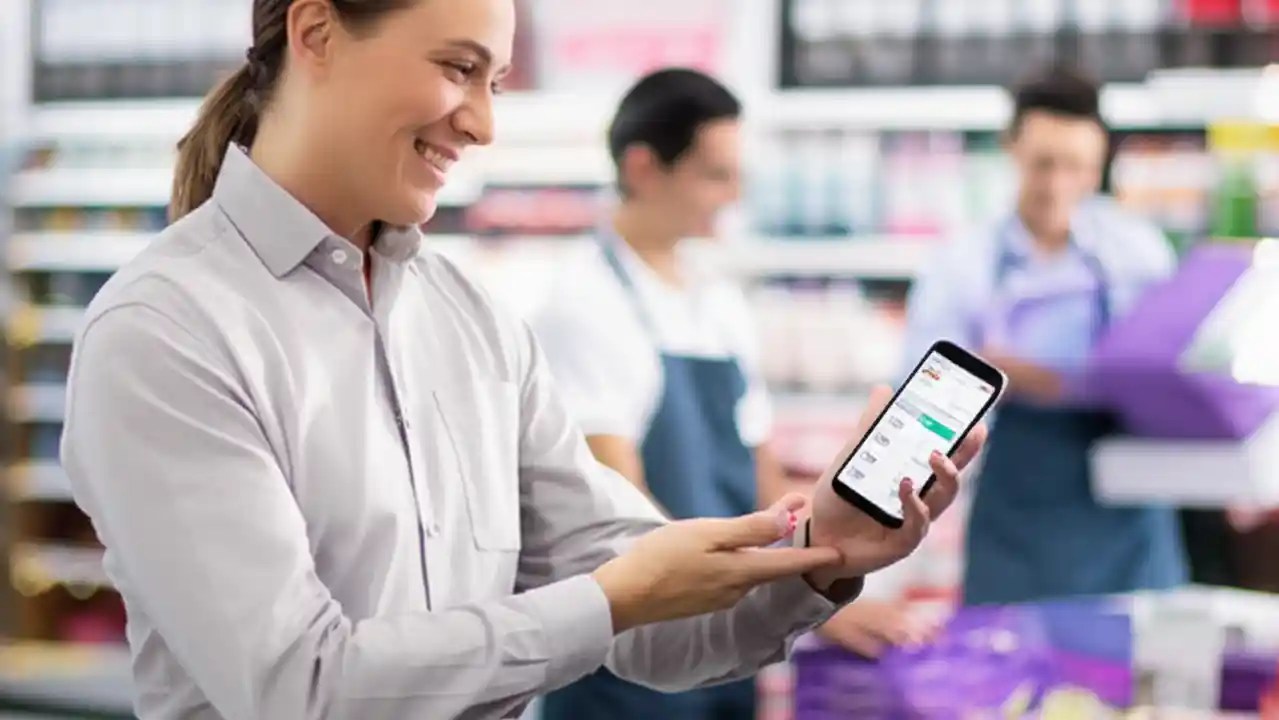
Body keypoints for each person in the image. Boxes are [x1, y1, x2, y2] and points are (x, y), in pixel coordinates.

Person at [59, 2, 984, 718]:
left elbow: (657, 624)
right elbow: (298, 688)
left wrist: (822, 549)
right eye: (458, 68)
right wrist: (604, 604)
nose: (483, 124)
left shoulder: (473, 324)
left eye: (496, 80)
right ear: (316, 33)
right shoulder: (166, 331)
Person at [533, 69, 937, 720]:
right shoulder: (584, 304)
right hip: (635, 656)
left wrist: (813, 583)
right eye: (715, 175)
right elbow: (618, 509)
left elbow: (758, 473)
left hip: (724, 642)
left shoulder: (716, 300)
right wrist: (785, 598)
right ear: (643, 168)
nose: (734, 195)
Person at [902, 65, 1187, 606]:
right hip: (1019, 514)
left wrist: (1024, 374)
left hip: (1128, 519)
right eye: (1043, 164)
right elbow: (923, 392)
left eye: (1076, 167)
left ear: (1099, 164)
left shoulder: (1138, 253)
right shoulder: (963, 265)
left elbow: (1168, 370)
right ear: (1011, 149)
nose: (1057, 186)